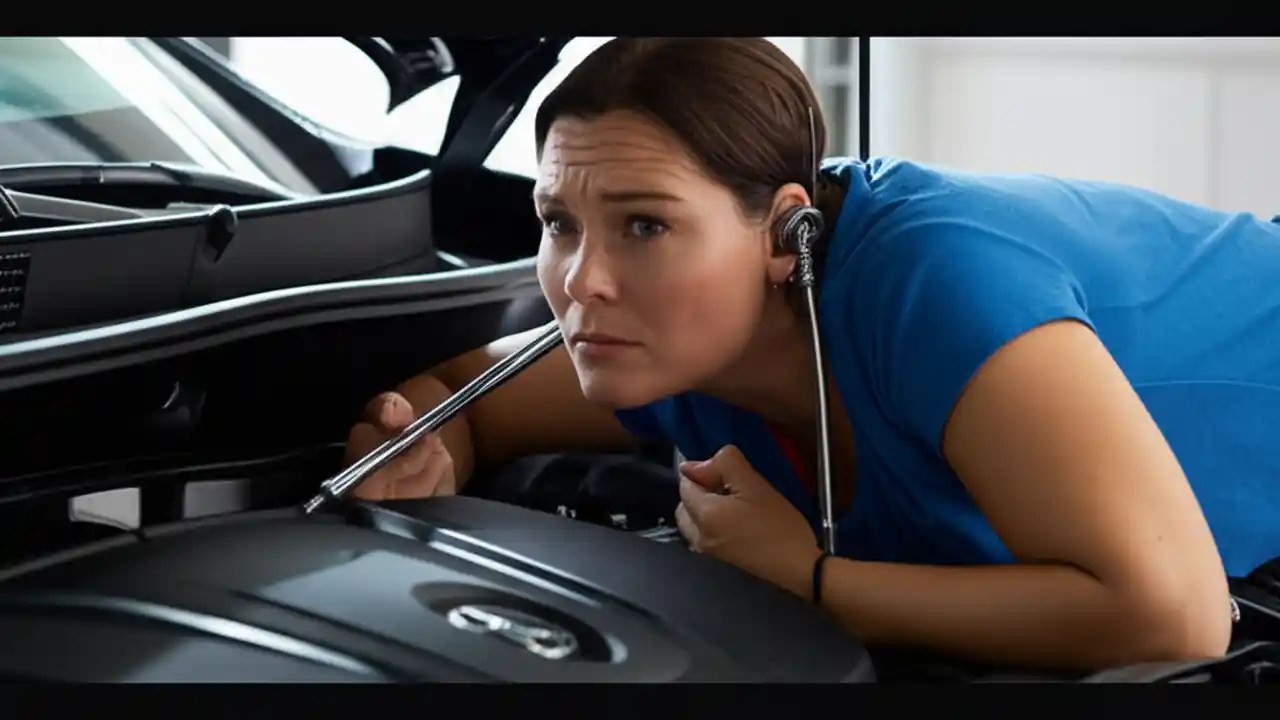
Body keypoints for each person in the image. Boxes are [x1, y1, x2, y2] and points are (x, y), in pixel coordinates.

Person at [343, 37, 1280, 671]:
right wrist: (425, 449)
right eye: (558, 222)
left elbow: (1177, 621)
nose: (584, 280)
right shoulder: (669, 332)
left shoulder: (936, 285)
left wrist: (815, 584)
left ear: (782, 232)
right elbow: (466, 394)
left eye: (642, 224)